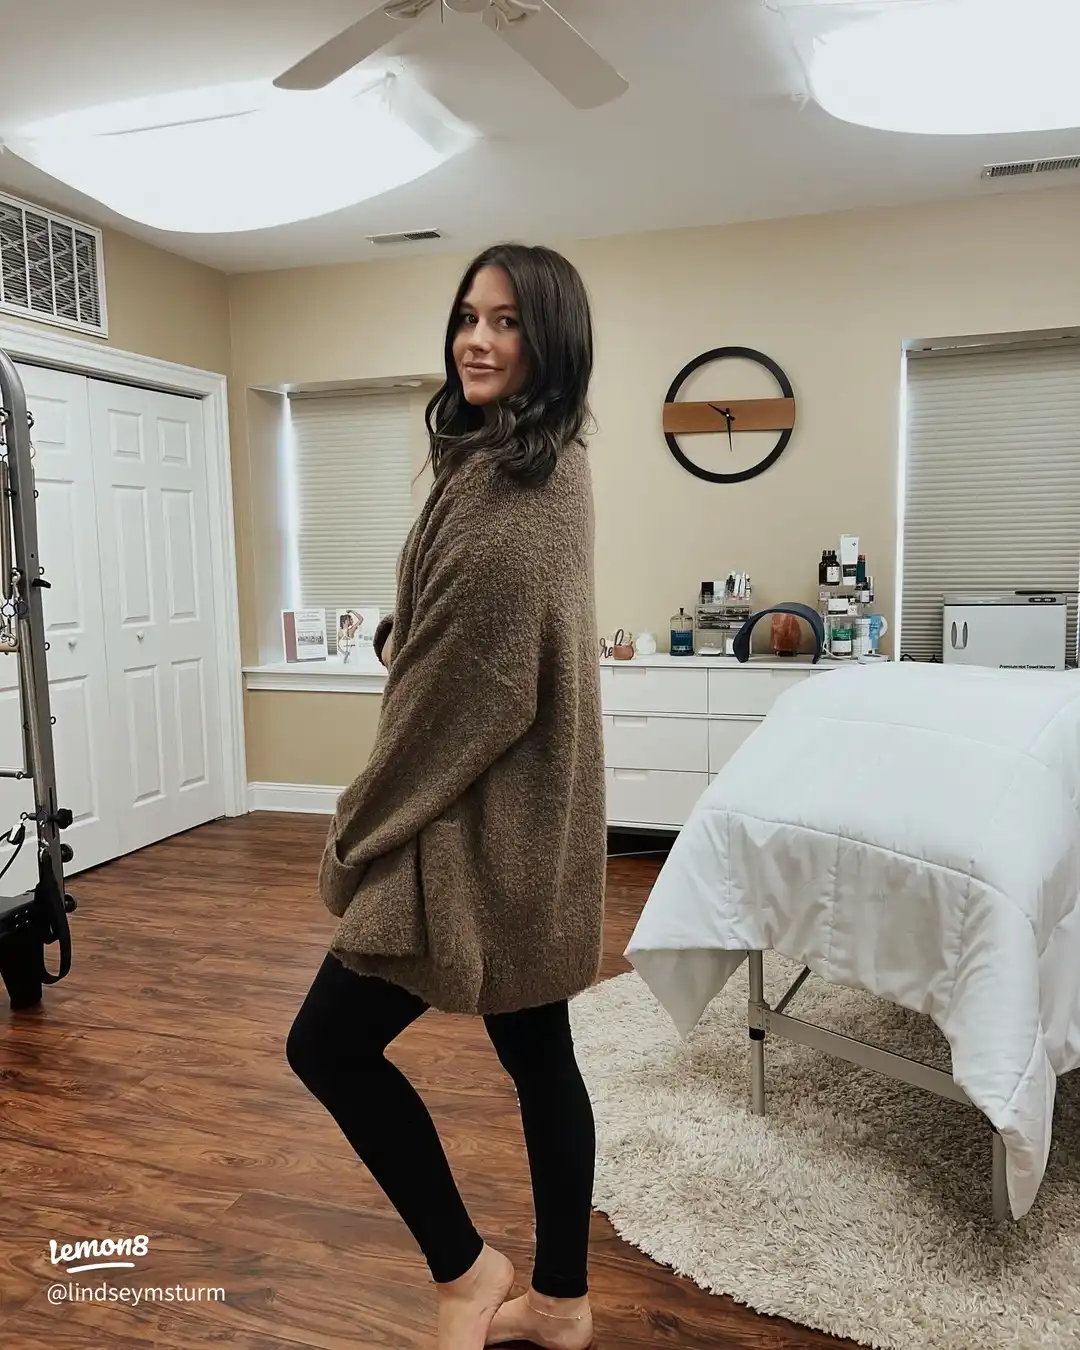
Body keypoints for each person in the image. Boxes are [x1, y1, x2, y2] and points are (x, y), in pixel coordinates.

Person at [285, 241, 607, 1350]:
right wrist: (406, 631)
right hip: (522, 824)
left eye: (508, 321)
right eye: (470, 315)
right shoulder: (525, 461)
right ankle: (559, 1303)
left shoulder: (515, 492)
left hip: (477, 834)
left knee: (326, 1047)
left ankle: (468, 1273)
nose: (478, 338)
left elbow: (471, 694)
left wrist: (355, 827)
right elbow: (473, 634)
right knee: (538, 1058)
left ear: (550, 339)